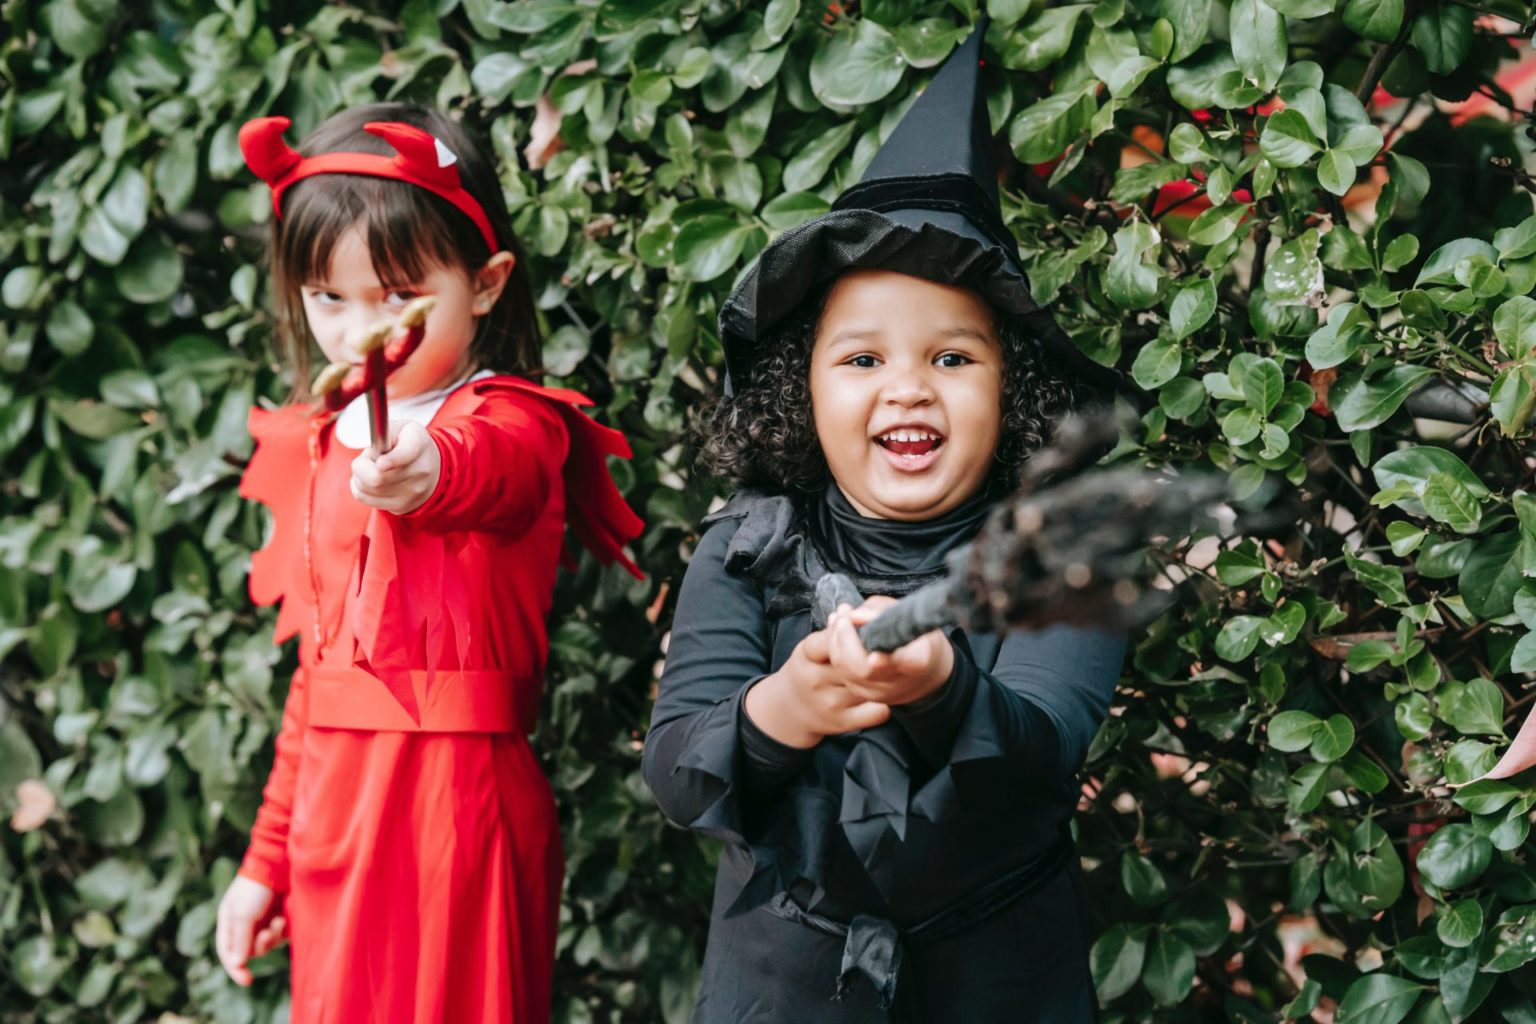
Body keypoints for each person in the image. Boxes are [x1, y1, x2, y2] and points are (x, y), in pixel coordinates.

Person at [643, 22, 1135, 1023]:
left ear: (1015, 390)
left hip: (997, 986)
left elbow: (1038, 750)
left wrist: (941, 686)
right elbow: (679, 773)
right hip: (778, 982)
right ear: (802, 389)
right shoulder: (746, 547)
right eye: (861, 359)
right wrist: (792, 704)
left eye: (953, 358)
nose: (907, 388)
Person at [213, 103, 643, 1023]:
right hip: (332, 814)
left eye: (399, 294)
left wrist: (431, 470)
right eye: (329, 297)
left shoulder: (512, 419)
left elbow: (496, 475)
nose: (361, 330)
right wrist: (264, 861)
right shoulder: (322, 444)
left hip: (459, 813)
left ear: (485, 284)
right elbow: (316, 678)